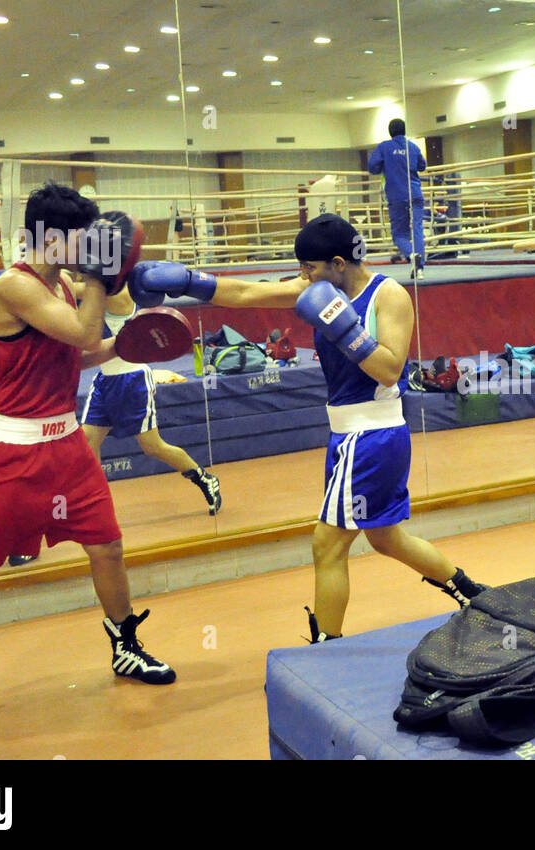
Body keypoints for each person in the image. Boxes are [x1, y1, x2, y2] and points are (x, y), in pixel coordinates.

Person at [126, 214, 488, 642]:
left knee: (328, 544)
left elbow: (390, 370)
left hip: (372, 437)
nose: (303, 276)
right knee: (385, 537)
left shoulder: (387, 296)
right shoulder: (320, 290)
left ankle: (326, 646)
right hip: (348, 437)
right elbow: (245, 292)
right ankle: (470, 591)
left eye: (310, 268)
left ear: (338, 262)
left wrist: (345, 330)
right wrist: (188, 280)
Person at [0, 183, 175, 731]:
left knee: (109, 547)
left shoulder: (64, 288)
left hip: (67, 446)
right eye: (83, 239)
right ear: (50, 238)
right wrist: (100, 282)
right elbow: (78, 332)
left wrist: (131, 343)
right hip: (14, 451)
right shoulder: (10, 286)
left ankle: (125, 646)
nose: (91, 248)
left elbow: (77, 352)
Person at [79, 284, 221, 515]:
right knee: (87, 443)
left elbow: (73, 288)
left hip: (131, 380)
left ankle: (204, 478)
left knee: (153, 447)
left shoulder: (119, 294)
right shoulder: (96, 290)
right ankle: (99, 503)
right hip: (105, 380)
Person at [368, 118, 427, 279]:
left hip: (397, 195)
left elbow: (372, 167)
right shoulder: (413, 147)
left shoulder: (385, 147)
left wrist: (387, 165)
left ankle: (411, 254)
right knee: (417, 229)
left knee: (399, 235)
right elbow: (423, 165)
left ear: (390, 132)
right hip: (415, 193)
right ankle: (420, 268)